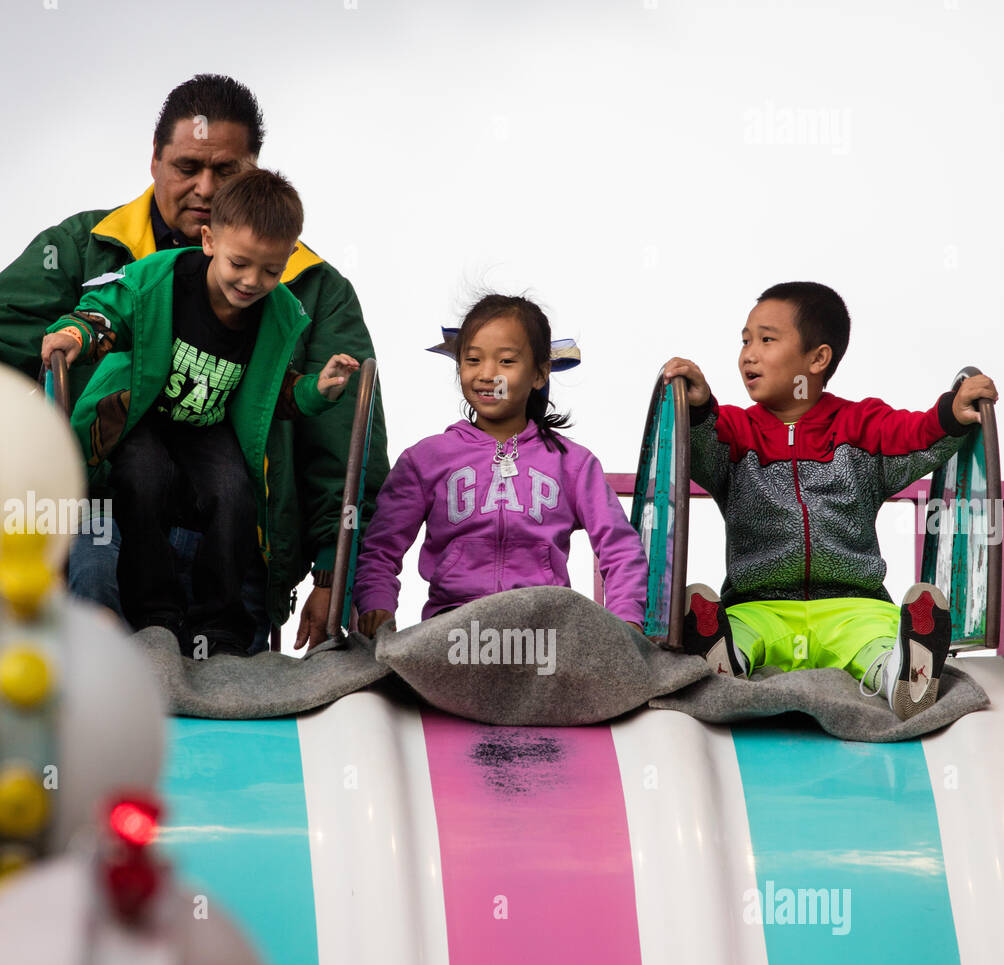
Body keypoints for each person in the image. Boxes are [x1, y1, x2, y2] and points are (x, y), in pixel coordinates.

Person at [0, 73, 388, 650]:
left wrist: (337, 574)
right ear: (154, 160)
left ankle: (222, 638)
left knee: (228, 723)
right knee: (96, 721)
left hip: (235, 561)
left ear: (254, 174)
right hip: (98, 543)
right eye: (187, 167)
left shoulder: (308, 289)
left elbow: (345, 447)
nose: (205, 188)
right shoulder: (86, 249)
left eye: (226, 171)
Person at [40, 169, 358, 657]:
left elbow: (278, 392)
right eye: (240, 263)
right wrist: (77, 334)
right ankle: (155, 617)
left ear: (289, 258)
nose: (252, 281)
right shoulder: (163, 278)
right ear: (209, 240)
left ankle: (220, 628)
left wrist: (320, 389)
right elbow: (108, 309)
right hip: (143, 414)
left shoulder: (278, 314)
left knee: (235, 495)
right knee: (141, 478)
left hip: (206, 427)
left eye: (270, 270)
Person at [662, 281, 998, 720]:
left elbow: (913, 436)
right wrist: (701, 408)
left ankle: (906, 669)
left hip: (853, 604)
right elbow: (702, 450)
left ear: (817, 358)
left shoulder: (860, 424)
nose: (749, 354)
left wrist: (952, 413)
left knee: (877, 639)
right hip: (760, 602)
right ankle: (723, 660)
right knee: (740, 631)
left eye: (767, 339)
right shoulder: (734, 432)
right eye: (745, 341)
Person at [353, 293, 648, 635]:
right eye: (473, 359)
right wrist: (377, 604)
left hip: (544, 632)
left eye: (506, 361)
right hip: (452, 631)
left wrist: (627, 619)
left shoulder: (573, 464)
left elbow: (619, 546)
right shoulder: (425, 460)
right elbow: (380, 547)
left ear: (539, 373)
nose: (487, 374)